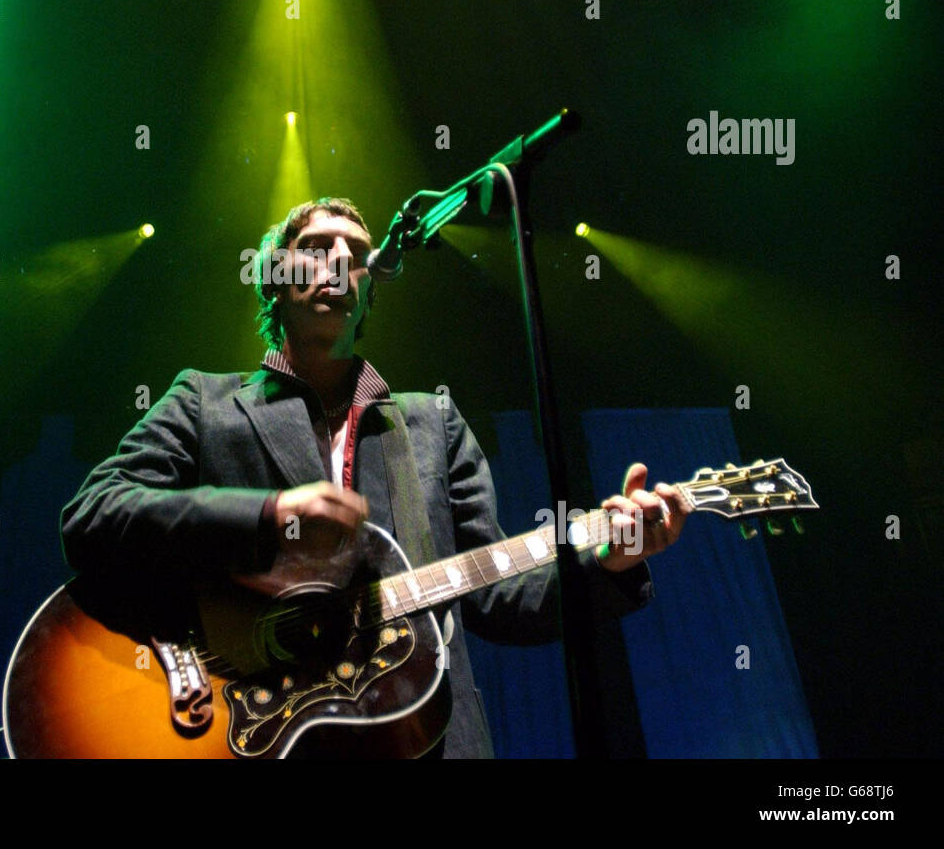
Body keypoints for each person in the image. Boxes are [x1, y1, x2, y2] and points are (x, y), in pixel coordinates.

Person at [60, 196, 688, 757]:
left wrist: (613, 553)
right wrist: (266, 517)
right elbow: (94, 517)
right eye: (314, 249)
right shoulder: (204, 402)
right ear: (274, 279)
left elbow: (495, 597)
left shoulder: (430, 422)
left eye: (356, 254)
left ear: (369, 289)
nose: (338, 262)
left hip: (422, 740)